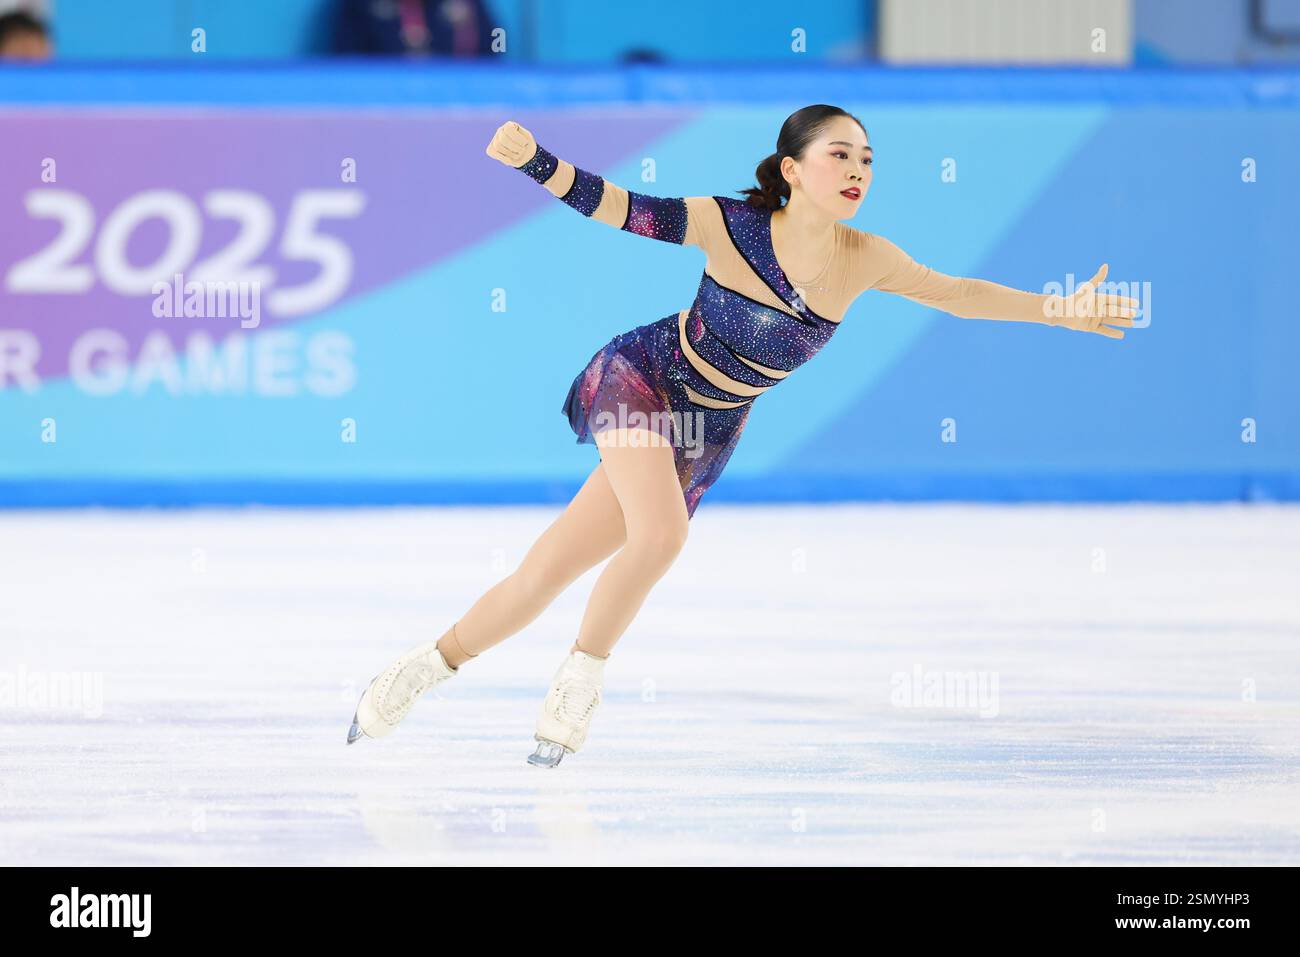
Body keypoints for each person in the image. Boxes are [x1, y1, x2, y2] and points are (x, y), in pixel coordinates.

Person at [346, 106, 1140, 767]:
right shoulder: (727, 225)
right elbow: (622, 206)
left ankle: (420, 668)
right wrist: (536, 161)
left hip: (707, 426)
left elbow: (960, 294)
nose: (858, 168)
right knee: (660, 536)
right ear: (792, 168)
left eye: (867, 157)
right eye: (839, 154)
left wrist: (1059, 307)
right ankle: (580, 680)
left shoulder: (870, 260)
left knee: (544, 573)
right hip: (644, 377)